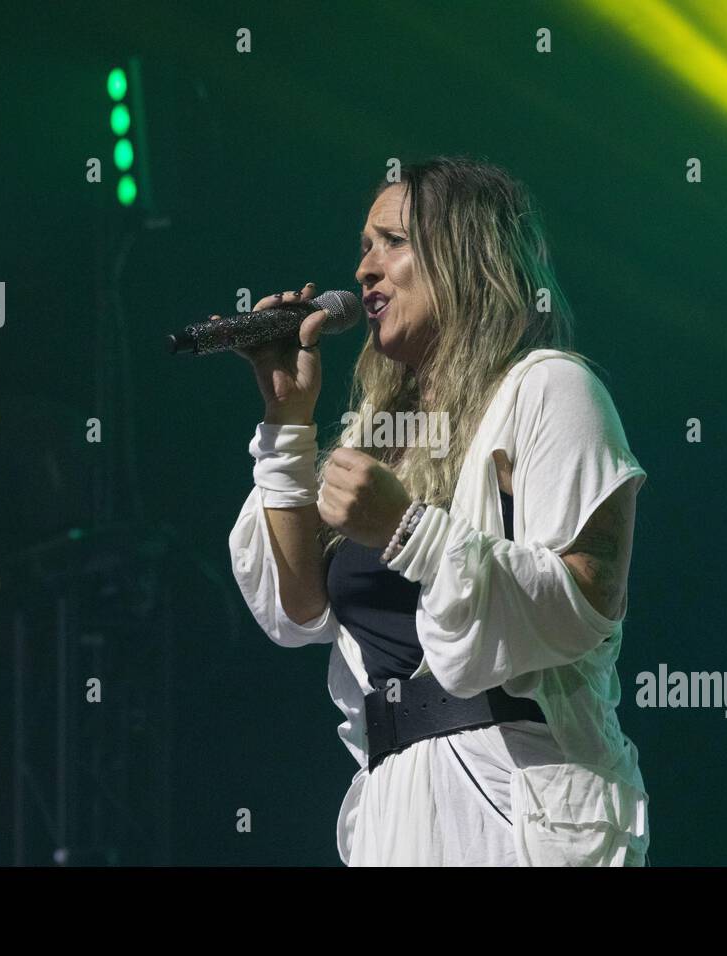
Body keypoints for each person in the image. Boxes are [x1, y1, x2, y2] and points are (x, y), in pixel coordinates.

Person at [225, 156, 650, 866]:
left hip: (515, 804)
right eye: (363, 247)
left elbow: (589, 600)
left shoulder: (549, 388)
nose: (365, 269)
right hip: (397, 810)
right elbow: (299, 609)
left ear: (466, 256)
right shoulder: (378, 433)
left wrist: (408, 531)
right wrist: (288, 424)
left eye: (393, 241)